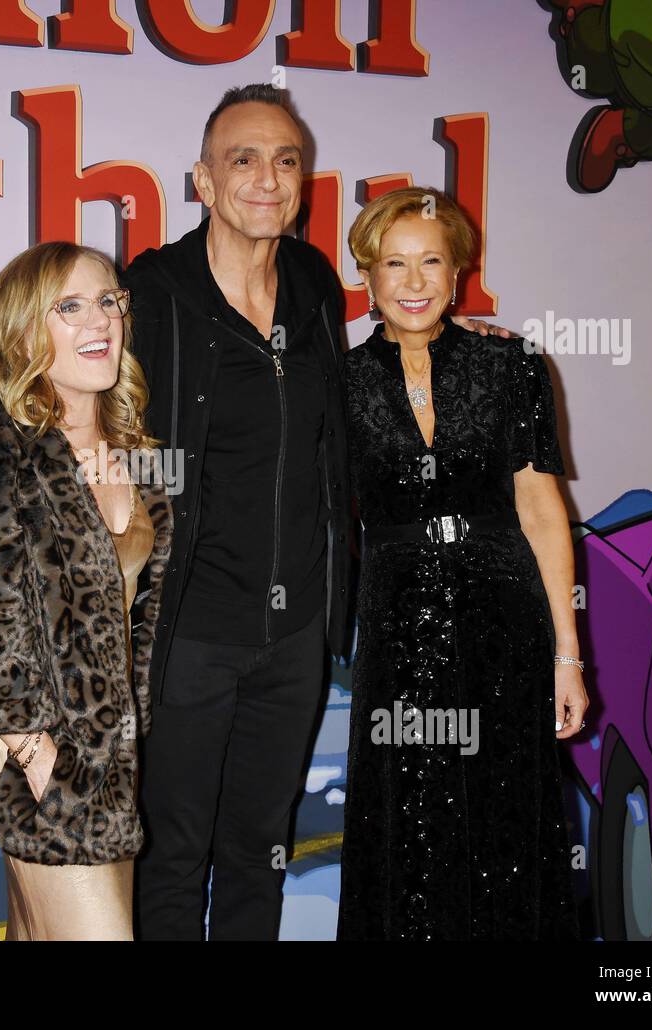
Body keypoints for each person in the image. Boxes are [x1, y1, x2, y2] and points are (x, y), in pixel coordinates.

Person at [121, 83, 505, 941]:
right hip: (189, 627)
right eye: (244, 159)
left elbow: (369, 386)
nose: (267, 178)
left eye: (286, 160)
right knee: (173, 858)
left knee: (262, 847)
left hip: (294, 636)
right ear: (204, 181)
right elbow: (88, 410)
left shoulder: (315, 283)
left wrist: (453, 348)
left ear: (305, 181)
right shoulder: (153, 290)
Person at [0, 241, 173, 940]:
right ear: (21, 331)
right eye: (69, 307)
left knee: (36, 931)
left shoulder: (135, 450)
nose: (99, 320)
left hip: (112, 738)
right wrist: (35, 751)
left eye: (109, 301)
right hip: (31, 737)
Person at [337, 186, 587, 940]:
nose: (413, 283)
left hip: (504, 616)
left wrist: (567, 656)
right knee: (410, 821)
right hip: (396, 622)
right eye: (394, 265)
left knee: (506, 814)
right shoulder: (337, 382)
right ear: (369, 279)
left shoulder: (512, 365)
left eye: (431, 263)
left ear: (457, 273)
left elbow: (543, 513)